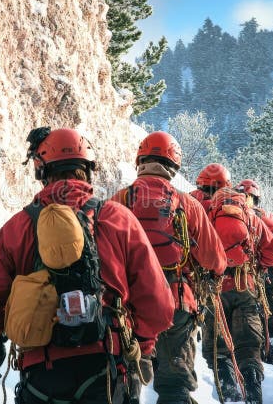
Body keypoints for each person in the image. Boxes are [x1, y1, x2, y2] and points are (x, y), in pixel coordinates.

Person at [0, 127, 175, 404]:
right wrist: (142, 344)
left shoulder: (20, 226)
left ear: (42, 171)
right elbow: (159, 304)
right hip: (107, 366)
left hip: (42, 371)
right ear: (87, 170)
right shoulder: (117, 218)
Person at [112, 131, 227, 404]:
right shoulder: (188, 204)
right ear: (174, 166)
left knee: (126, 380)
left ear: (140, 159)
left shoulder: (120, 201)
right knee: (175, 386)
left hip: (129, 306)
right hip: (177, 303)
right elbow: (215, 259)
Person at [200, 178, 273, 404]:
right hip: (246, 287)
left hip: (215, 292)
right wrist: (257, 267)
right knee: (248, 347)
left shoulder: (208, 218)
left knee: (218, 349)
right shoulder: (253, 219)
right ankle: (253, 395)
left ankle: (231, 396)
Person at [235, 179, 273, 365]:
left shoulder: (235, 217)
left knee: (254, 313)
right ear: (256, 198)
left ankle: (258, 352)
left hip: (246, 274)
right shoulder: (264, 217)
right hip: (271, 271)